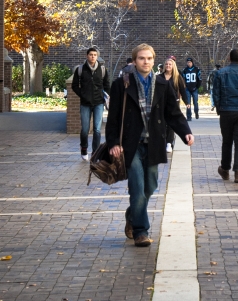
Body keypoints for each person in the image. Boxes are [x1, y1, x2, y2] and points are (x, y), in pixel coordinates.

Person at [105, 44, 193, 248]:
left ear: (154, 61)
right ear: (135, 61)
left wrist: (185, 132)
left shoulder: (162, 84)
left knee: (150, 186)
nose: (146, 62)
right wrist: (113, 143)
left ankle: (132, 214)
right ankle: (141, 231)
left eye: (149, 58)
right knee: (137, 188)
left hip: (153, 142)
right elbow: (114, 117)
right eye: (142, 58)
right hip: (130, 144)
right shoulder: (122, 85)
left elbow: (173, 113)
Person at [210, 48, 238, 183]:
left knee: (227, 141)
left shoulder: (220, 74)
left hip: (226, 110)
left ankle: (225, 168)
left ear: (229, 58)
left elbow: (216, 93)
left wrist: (219, 108)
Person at [71, 47, 108, 160]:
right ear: (87, 56)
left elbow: (107, 85)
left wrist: (105, 96)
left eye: (95, 55)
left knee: (97, 129)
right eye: (91, 54)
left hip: (98, 103)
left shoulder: (102, 70)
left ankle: (95, 152)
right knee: (85, 129)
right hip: (85, 103)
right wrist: (83, 95)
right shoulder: (80, 69)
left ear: (97, 56)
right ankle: (84, 148)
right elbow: (74, 85)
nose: (93, 56)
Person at [161, 57, 186, 153]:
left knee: (170, 124)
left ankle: (169, 143)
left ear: (173, 66)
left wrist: (186, 102)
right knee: (162, 123)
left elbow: (182, 90)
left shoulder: (177, 77)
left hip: (173, 103)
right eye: (166, 64)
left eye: (170, 64)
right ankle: (163, 142)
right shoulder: (160, 77)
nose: (168, 66)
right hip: (162, 103)